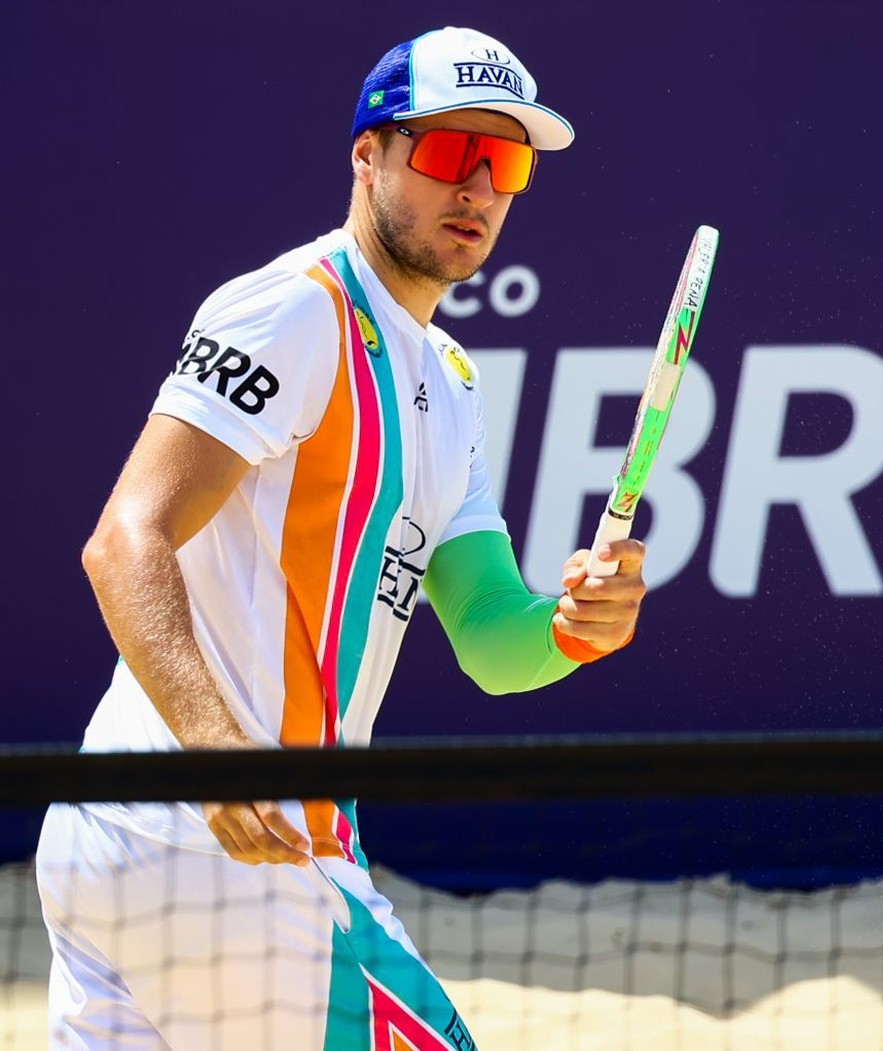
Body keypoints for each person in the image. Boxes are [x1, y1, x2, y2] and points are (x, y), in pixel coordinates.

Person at [35, 26, 645, 1051]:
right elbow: (124, 539)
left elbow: (495, 639)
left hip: (137, 842)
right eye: (453, 153)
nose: (481, 189)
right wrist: (220, 756)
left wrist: (577, 626)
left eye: (508, 163)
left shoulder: (452, 381)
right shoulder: (293, 310)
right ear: (368, 155)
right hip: (219, 832)